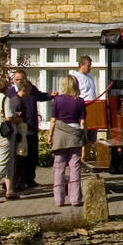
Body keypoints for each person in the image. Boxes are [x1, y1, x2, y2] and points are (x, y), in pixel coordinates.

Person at [7, 69, 51, 188]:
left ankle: (30, 180)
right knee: (21, 157)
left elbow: (41, 96)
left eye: (20, 80)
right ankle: (19, 182)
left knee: (32, 156)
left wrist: (50, 95)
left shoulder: (31, 90)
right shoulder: (11, 93)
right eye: (16, 80)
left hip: (32, 127)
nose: (18, 82)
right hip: (20, 130)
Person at [48, 75, 86, 206]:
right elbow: (82, 122)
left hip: (60, 135)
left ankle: (59, 199)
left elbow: (53, 120)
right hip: (74, 134)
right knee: (75, 167)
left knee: (58, 167)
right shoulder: (80, 101)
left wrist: (50, 135)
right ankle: (75, 199)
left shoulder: (57, 100)